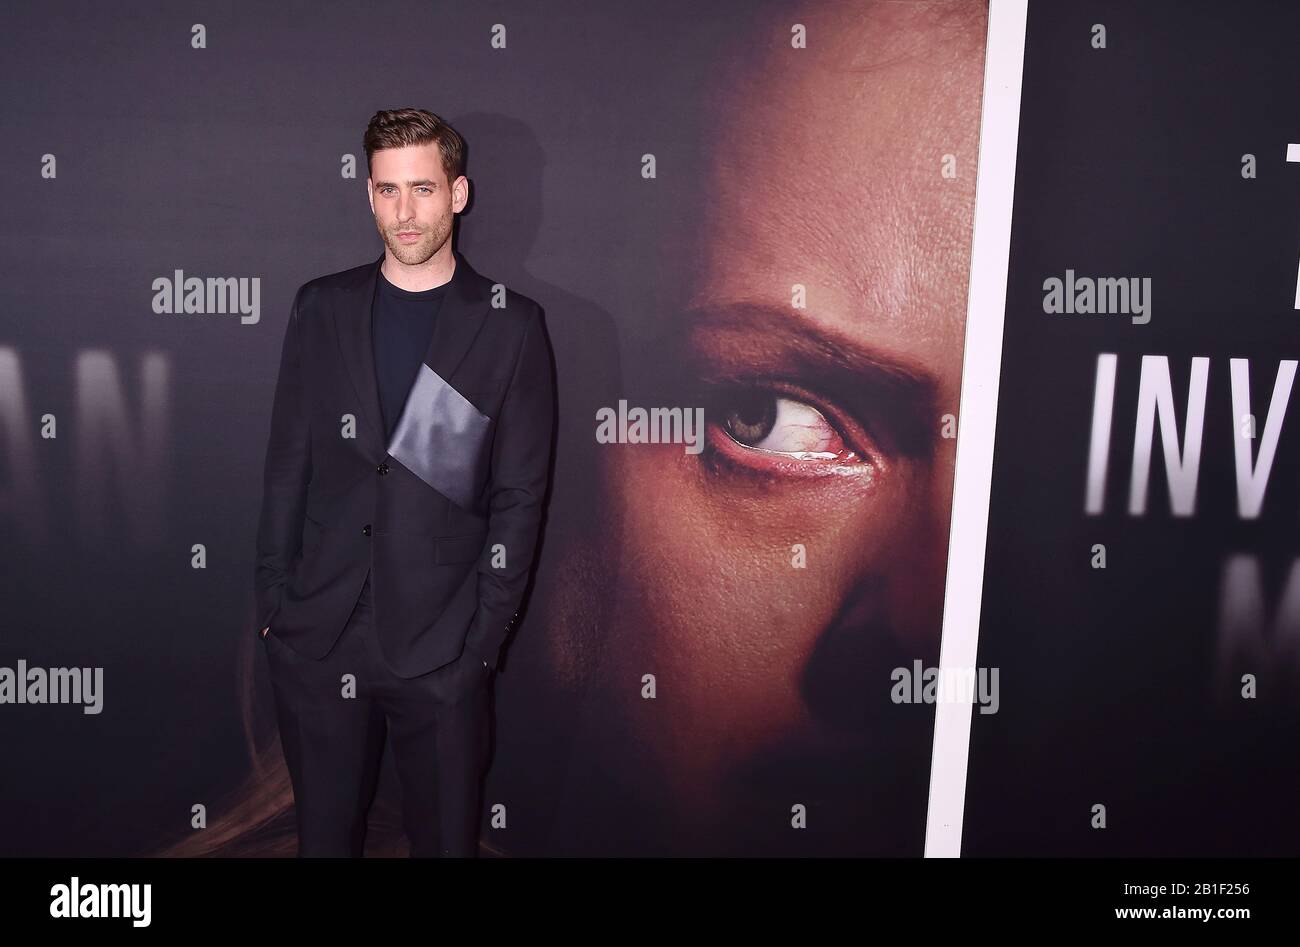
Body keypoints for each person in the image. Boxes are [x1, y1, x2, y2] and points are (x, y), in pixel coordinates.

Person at [252, 107, 555, 857]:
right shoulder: (321, 306)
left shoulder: (510, 325)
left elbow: (520, 496)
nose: (404, 211)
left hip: (443, 645)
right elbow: (288, 460)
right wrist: (275, 605)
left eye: (422, 189)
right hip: (319, 637)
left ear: (458, 193)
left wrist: (482, 644)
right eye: (388, 190)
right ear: (368, 193)